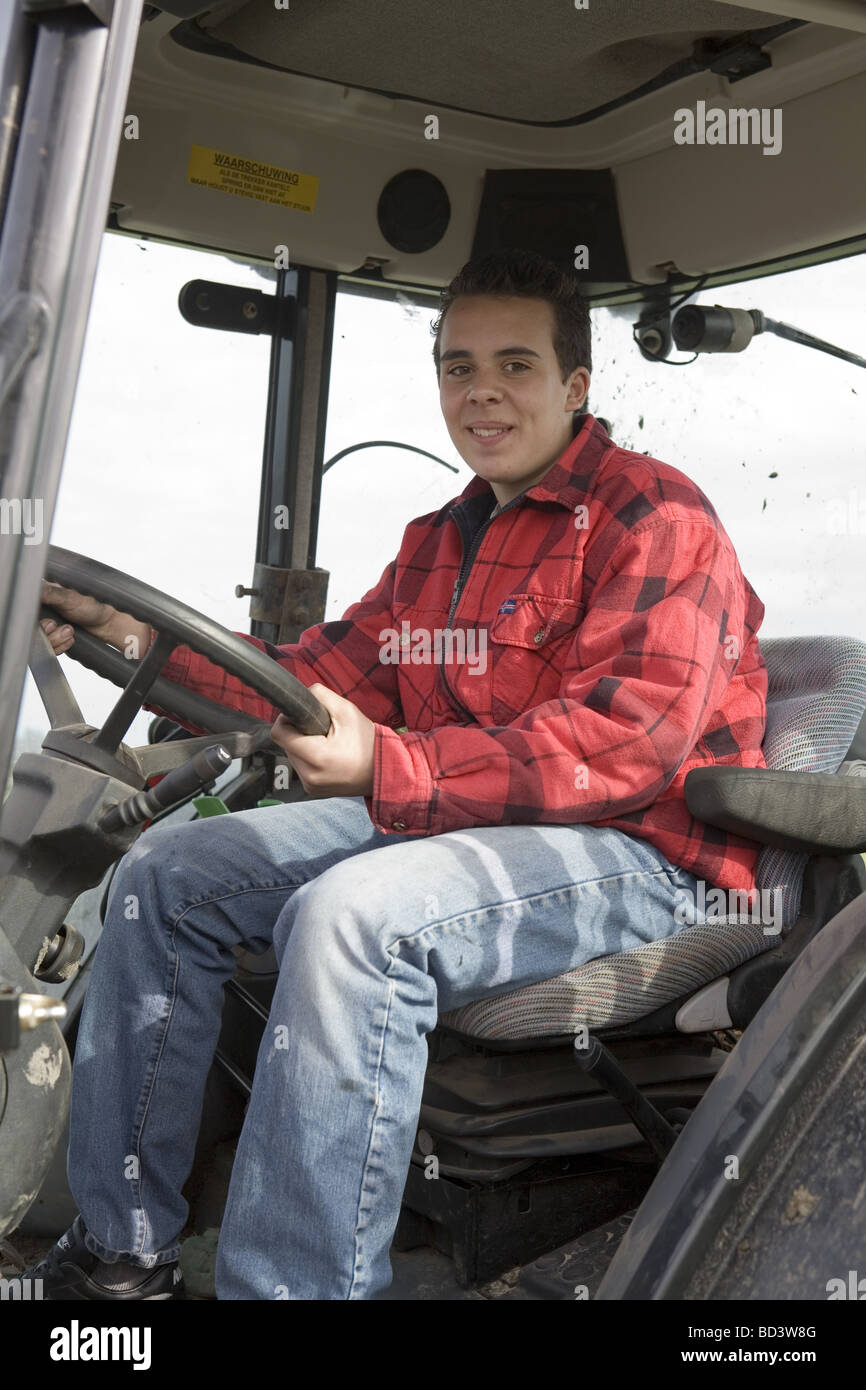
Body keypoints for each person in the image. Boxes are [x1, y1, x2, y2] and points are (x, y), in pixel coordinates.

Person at [28, 249, 768, 1300]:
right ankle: (121, 1250)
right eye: (456, 366)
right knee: (169, 871)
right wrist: (120, 623)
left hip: (640, 850)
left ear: (574, 386)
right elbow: (307, 682)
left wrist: (390, 761)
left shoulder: (656, 518)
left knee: (352, 916)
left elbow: (624, 743)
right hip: (466, 832)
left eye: (514, 365)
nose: (480, 392)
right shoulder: (440, 540)